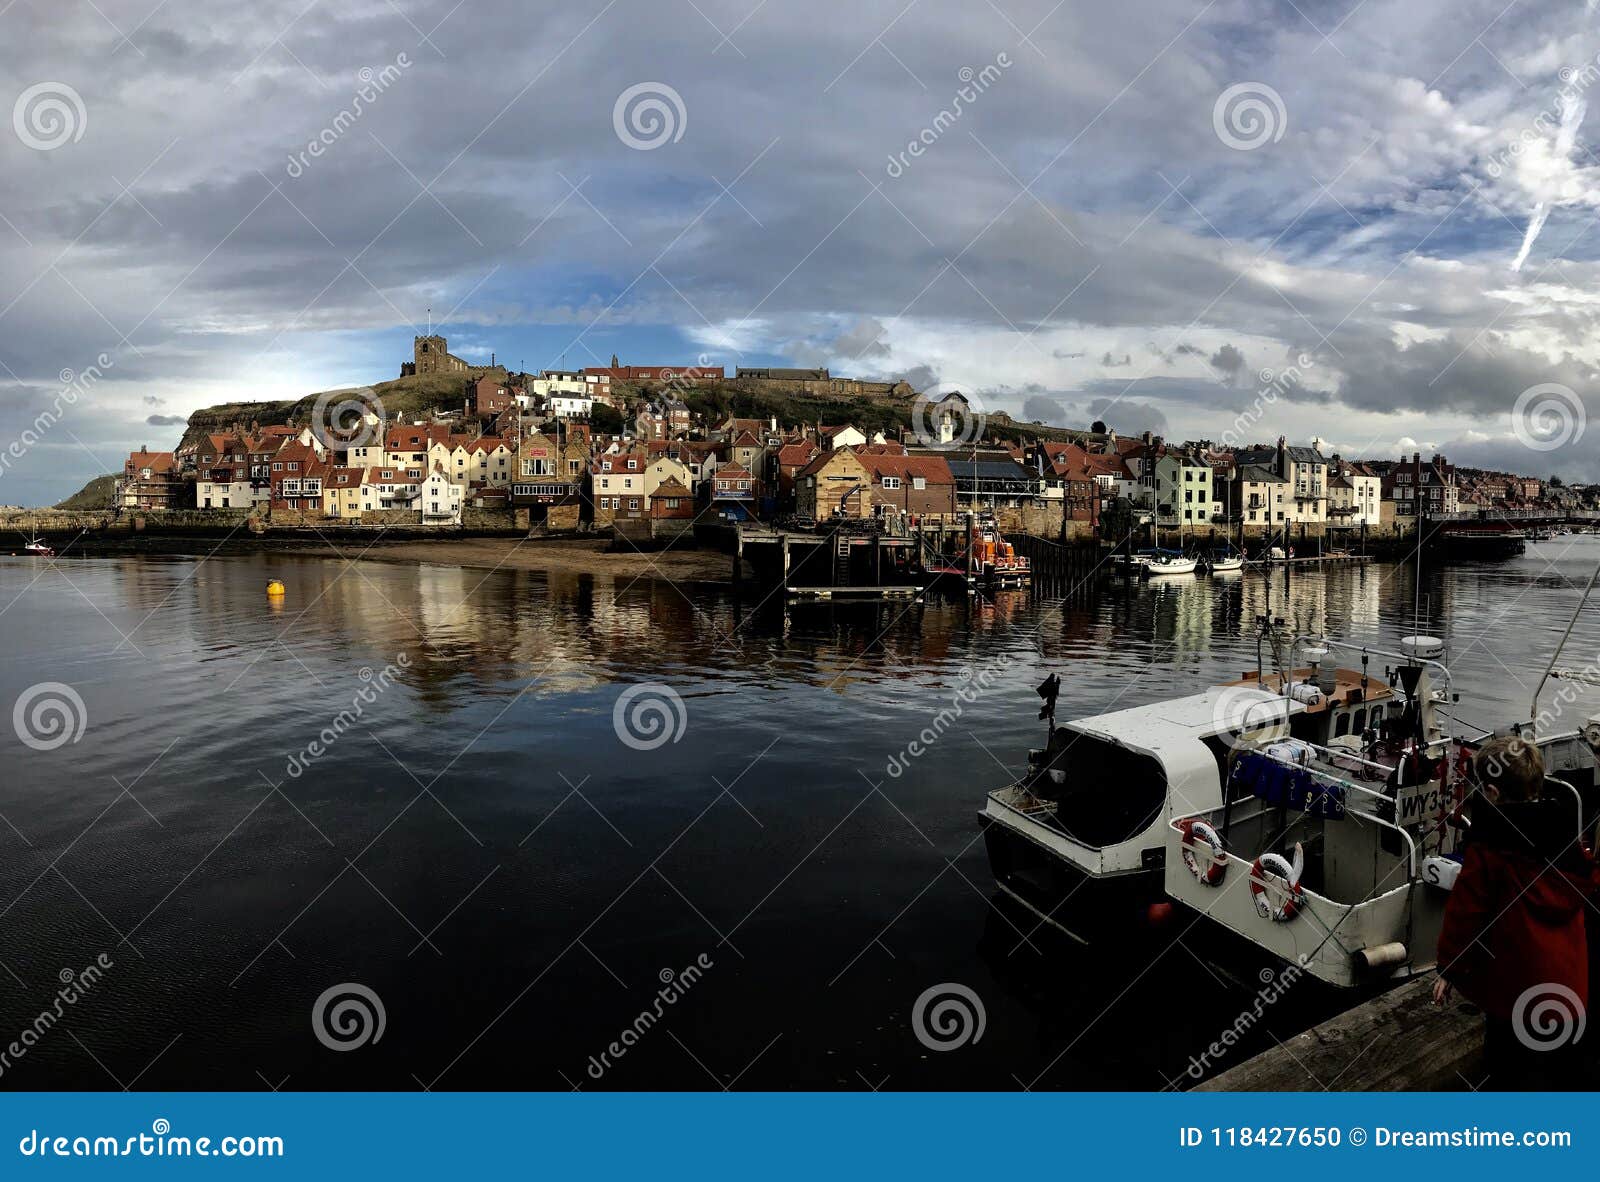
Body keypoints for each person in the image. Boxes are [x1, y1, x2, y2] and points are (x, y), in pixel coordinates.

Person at [1434, 734, 1592, 1089]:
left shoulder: (1490, 843)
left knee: (1508, 1074)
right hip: (1569, 992)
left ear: (1491, 793)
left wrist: (1450, 968)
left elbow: (1466, 913)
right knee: (1563, 1076)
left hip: (1517, 995)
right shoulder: (1565, 833)